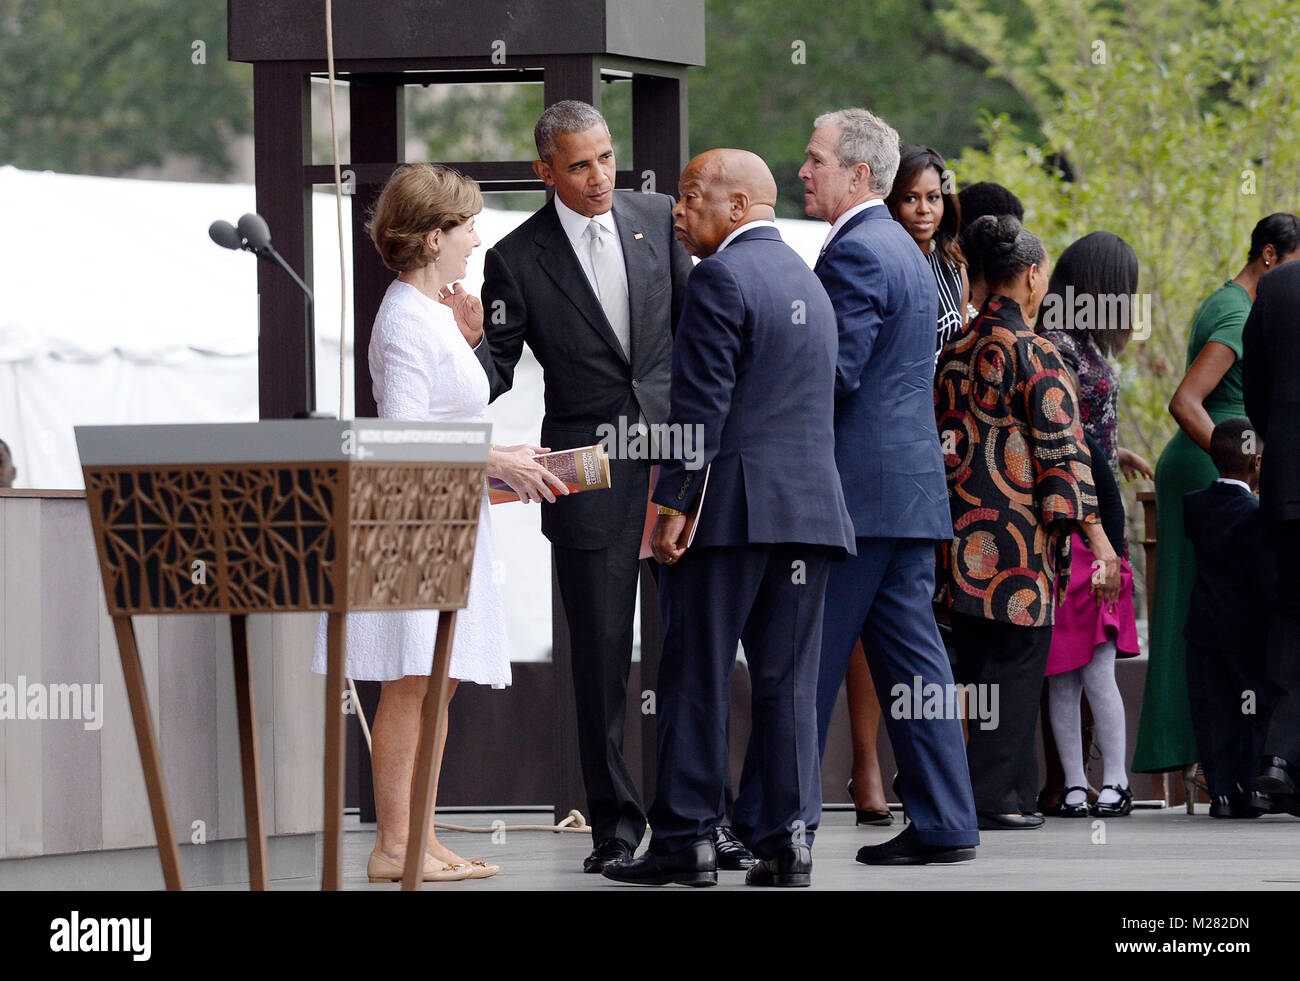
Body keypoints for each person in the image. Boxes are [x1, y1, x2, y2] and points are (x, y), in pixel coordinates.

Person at [602, 148, 855, 888]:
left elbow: (700, 410)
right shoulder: (808, 279)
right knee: (787, 682)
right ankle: (787, 841)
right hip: (810, 512)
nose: (675, 212)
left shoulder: (720, 278)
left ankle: (685, 839)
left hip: (733, 513)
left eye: (689, 198)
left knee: (695, 674)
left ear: (739, 205)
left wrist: (674, 505)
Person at [310, 164, 569, 882]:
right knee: (413, 680)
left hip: (448, 515)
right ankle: (395, 843)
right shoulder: (401, 321)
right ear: (433, 237)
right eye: (465, 226)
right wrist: (500, 456)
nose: (476, 239)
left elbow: (452, 417)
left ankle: (420, 837)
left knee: (439, 680)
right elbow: (403, 437)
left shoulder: (434, 313)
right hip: (411, 522)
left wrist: (474, 343)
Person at [476, 101, 706, 874]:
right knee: (602, 664)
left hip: (677, 464)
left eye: (606, 157)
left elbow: (698, 335)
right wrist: (466, 341)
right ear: (546, 171)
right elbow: (494, 372)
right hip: (589, 479)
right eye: (579, 165)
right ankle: (613, 827)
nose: (600, 176)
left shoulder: (659, 216)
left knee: (693, 650)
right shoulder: (513, 258)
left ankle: (703, 818)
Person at [795, 109, 979, 866]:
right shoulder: (906, 250)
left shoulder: (858, 251)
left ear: (857, 174)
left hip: (857, 496)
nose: (803, 172)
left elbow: (834, 374)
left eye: (815, 160)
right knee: (917, 664)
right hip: (902, 492)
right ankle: (945, 820)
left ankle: (781, 824)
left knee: (802, 661)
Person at [935, 215, 1121, 829]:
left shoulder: (954, 350)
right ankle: (994, 799)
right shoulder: (1037, 352)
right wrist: (1101, 544)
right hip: (1019, 546)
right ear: (1034, 276)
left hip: (961, 539)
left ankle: (1004, 793)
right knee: (1016, 670)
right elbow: (1063, 456)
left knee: (977, 671)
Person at [1133, 213, 1300, 780]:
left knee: (1200, 618)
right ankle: (1217, 762)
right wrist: (1243, 466)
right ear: (1271, 257)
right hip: (1214, 469)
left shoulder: (1227, 299)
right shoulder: (1238, 310)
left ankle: (1216, 760)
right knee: (1222, 622)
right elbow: (1185, 400)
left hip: (1211, 468)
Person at [1037, 232, 1151, 819]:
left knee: (1082, 669)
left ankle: (1100, 781)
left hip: (1079, 520)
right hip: (1082, 526)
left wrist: (1118, 454)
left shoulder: (1070, 341)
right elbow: (1065, 442)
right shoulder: (1059, 345)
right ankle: (1095, 782)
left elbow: (1088, 438)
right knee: (1078, 669)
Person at [1182, 418, 1277, 817]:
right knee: (1250, 708)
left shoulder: (1194, 504)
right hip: (1245, 631)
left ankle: (1220, 793)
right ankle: (1252, 786)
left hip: (1204, 625)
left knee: (1212, 709)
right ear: (1255, 463)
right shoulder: (1254, 513)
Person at [1243, 256, 1300, 805]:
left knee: (1290, 613)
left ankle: (1278, 756)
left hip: (1288, 486)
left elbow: (1254, 388)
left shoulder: (1277, 286)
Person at [886, 144, 970, 356]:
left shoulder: (954, 267)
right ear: (892, 202)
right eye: (910, 198)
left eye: (933, 197)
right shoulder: (883, 266)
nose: (923, 209)